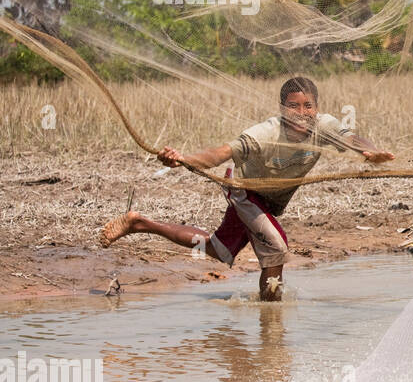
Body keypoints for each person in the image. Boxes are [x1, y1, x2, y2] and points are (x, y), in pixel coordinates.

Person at [98, 75, 394, 301]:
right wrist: (184, 160)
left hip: (268, 201)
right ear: (282, 109)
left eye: (308, 106)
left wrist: (370, 153)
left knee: (217, 249)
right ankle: (271, 317)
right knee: (276, 247)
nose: (301, 113)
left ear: (316, 109)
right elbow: (220, 153)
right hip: (242, 189)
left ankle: (141, 223)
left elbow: (354, 139)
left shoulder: (325, 126)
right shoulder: (266, 132)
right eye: (293, 106)